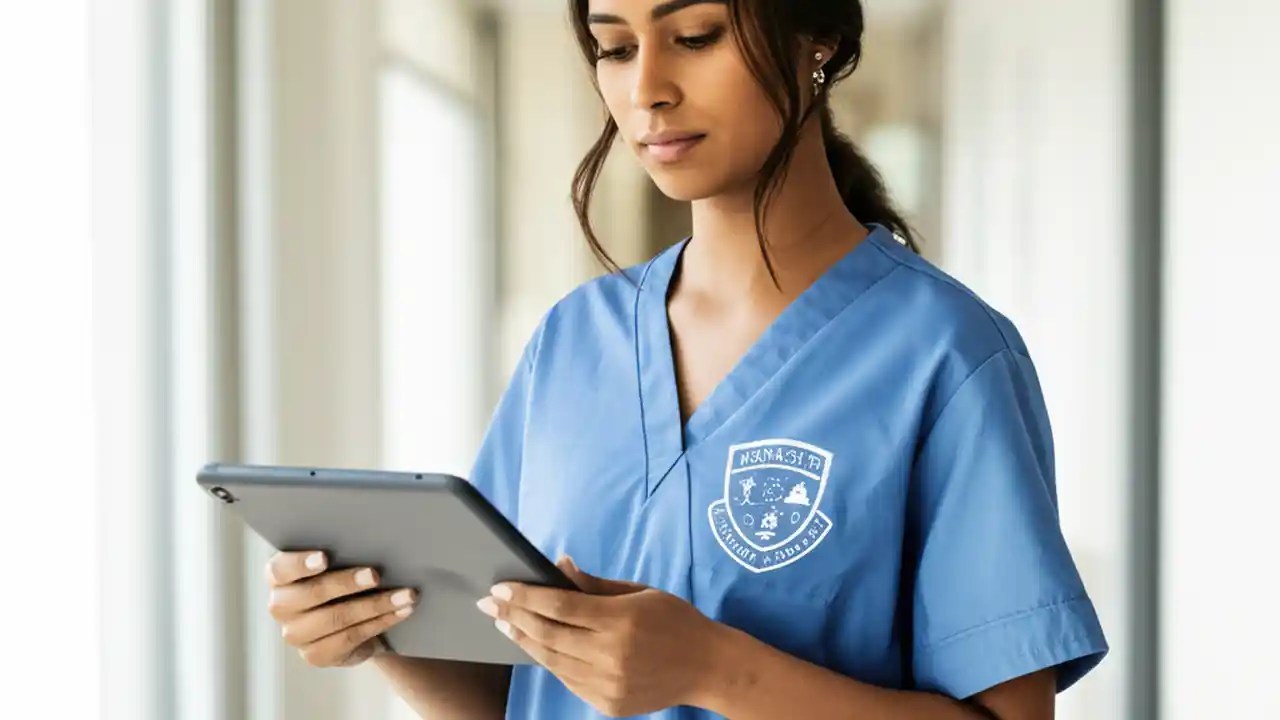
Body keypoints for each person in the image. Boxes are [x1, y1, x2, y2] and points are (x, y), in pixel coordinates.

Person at [262, 0, 1108, 718]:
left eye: (696, 37)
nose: (647, 90)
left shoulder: (944, 353)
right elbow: (520, 691)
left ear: (816, 39)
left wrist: (716, 670)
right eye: (615, 47)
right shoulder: (572, 340)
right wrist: (380, 633)